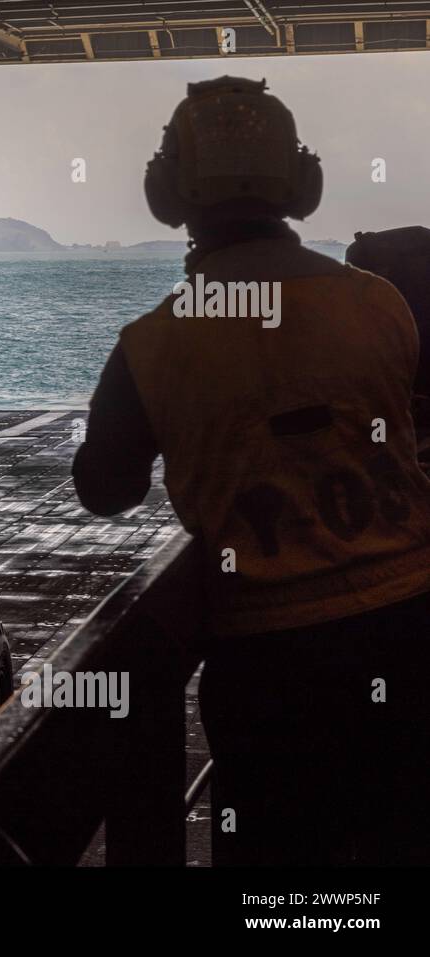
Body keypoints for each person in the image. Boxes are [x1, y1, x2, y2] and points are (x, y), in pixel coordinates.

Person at [73, 76, 430, 865]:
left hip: (268, 659)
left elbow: (106, 488)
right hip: (410, 630)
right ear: (300, 185)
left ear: (170, 194)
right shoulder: (379, 302)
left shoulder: (151, 342)